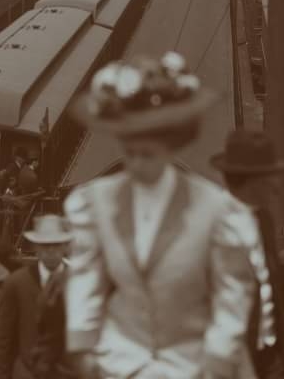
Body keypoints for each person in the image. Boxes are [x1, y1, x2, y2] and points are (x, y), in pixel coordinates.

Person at [64, 52, 260, 379]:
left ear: (171, 147)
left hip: (194, 366)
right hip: (118, 365)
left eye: (148, 155)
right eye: (129, 154)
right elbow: (86, 279)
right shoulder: (95, 203)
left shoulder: (214, 209)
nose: (137, 165)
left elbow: (232, 294)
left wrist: (218, 357)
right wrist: (84, 351)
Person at [210, 130, 284, 378]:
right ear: (252, 180)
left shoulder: (261, 218)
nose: (277, 185)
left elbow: (276, 277)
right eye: (270, 177)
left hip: (266, 354)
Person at [0, 215, 76, 379]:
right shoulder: (17, 283)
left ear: (66, 246)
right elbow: (3, 342)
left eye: (56, 245)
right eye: (45, 245)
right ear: (35, 246)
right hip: (27, 373)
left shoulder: (78, 282)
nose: (50, 251)